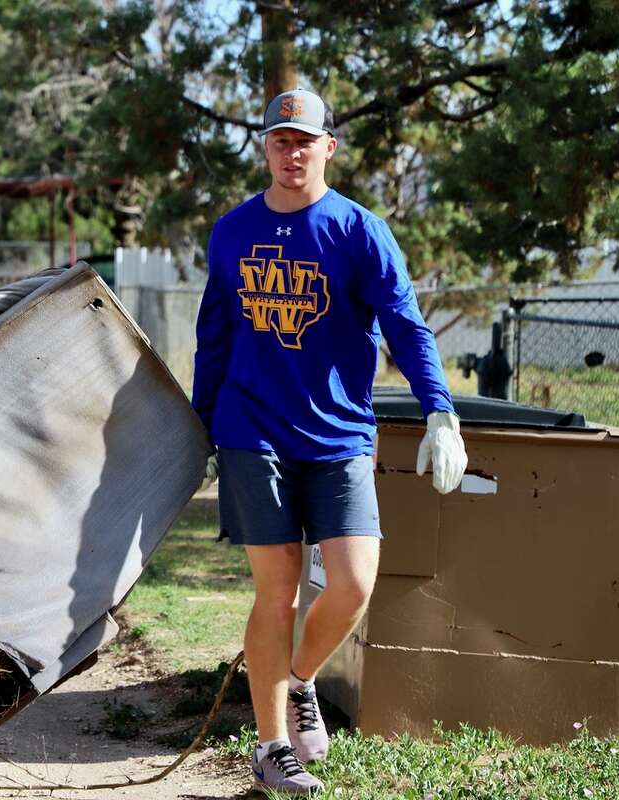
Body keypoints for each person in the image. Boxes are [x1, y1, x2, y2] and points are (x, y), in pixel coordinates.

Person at [192, 89, 468, 795]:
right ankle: (270, 746)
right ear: (266, 147)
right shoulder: (231, 232)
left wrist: (441, 410)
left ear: (328, 148)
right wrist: (199, 428)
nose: (292, 153)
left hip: (340, 433)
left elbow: (406, 325)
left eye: (304, 141)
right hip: (252, 429)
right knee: (277, 591)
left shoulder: (359, 231)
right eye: (281, 141)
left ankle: (300, 678)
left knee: (352, 584)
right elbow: (214, 337)